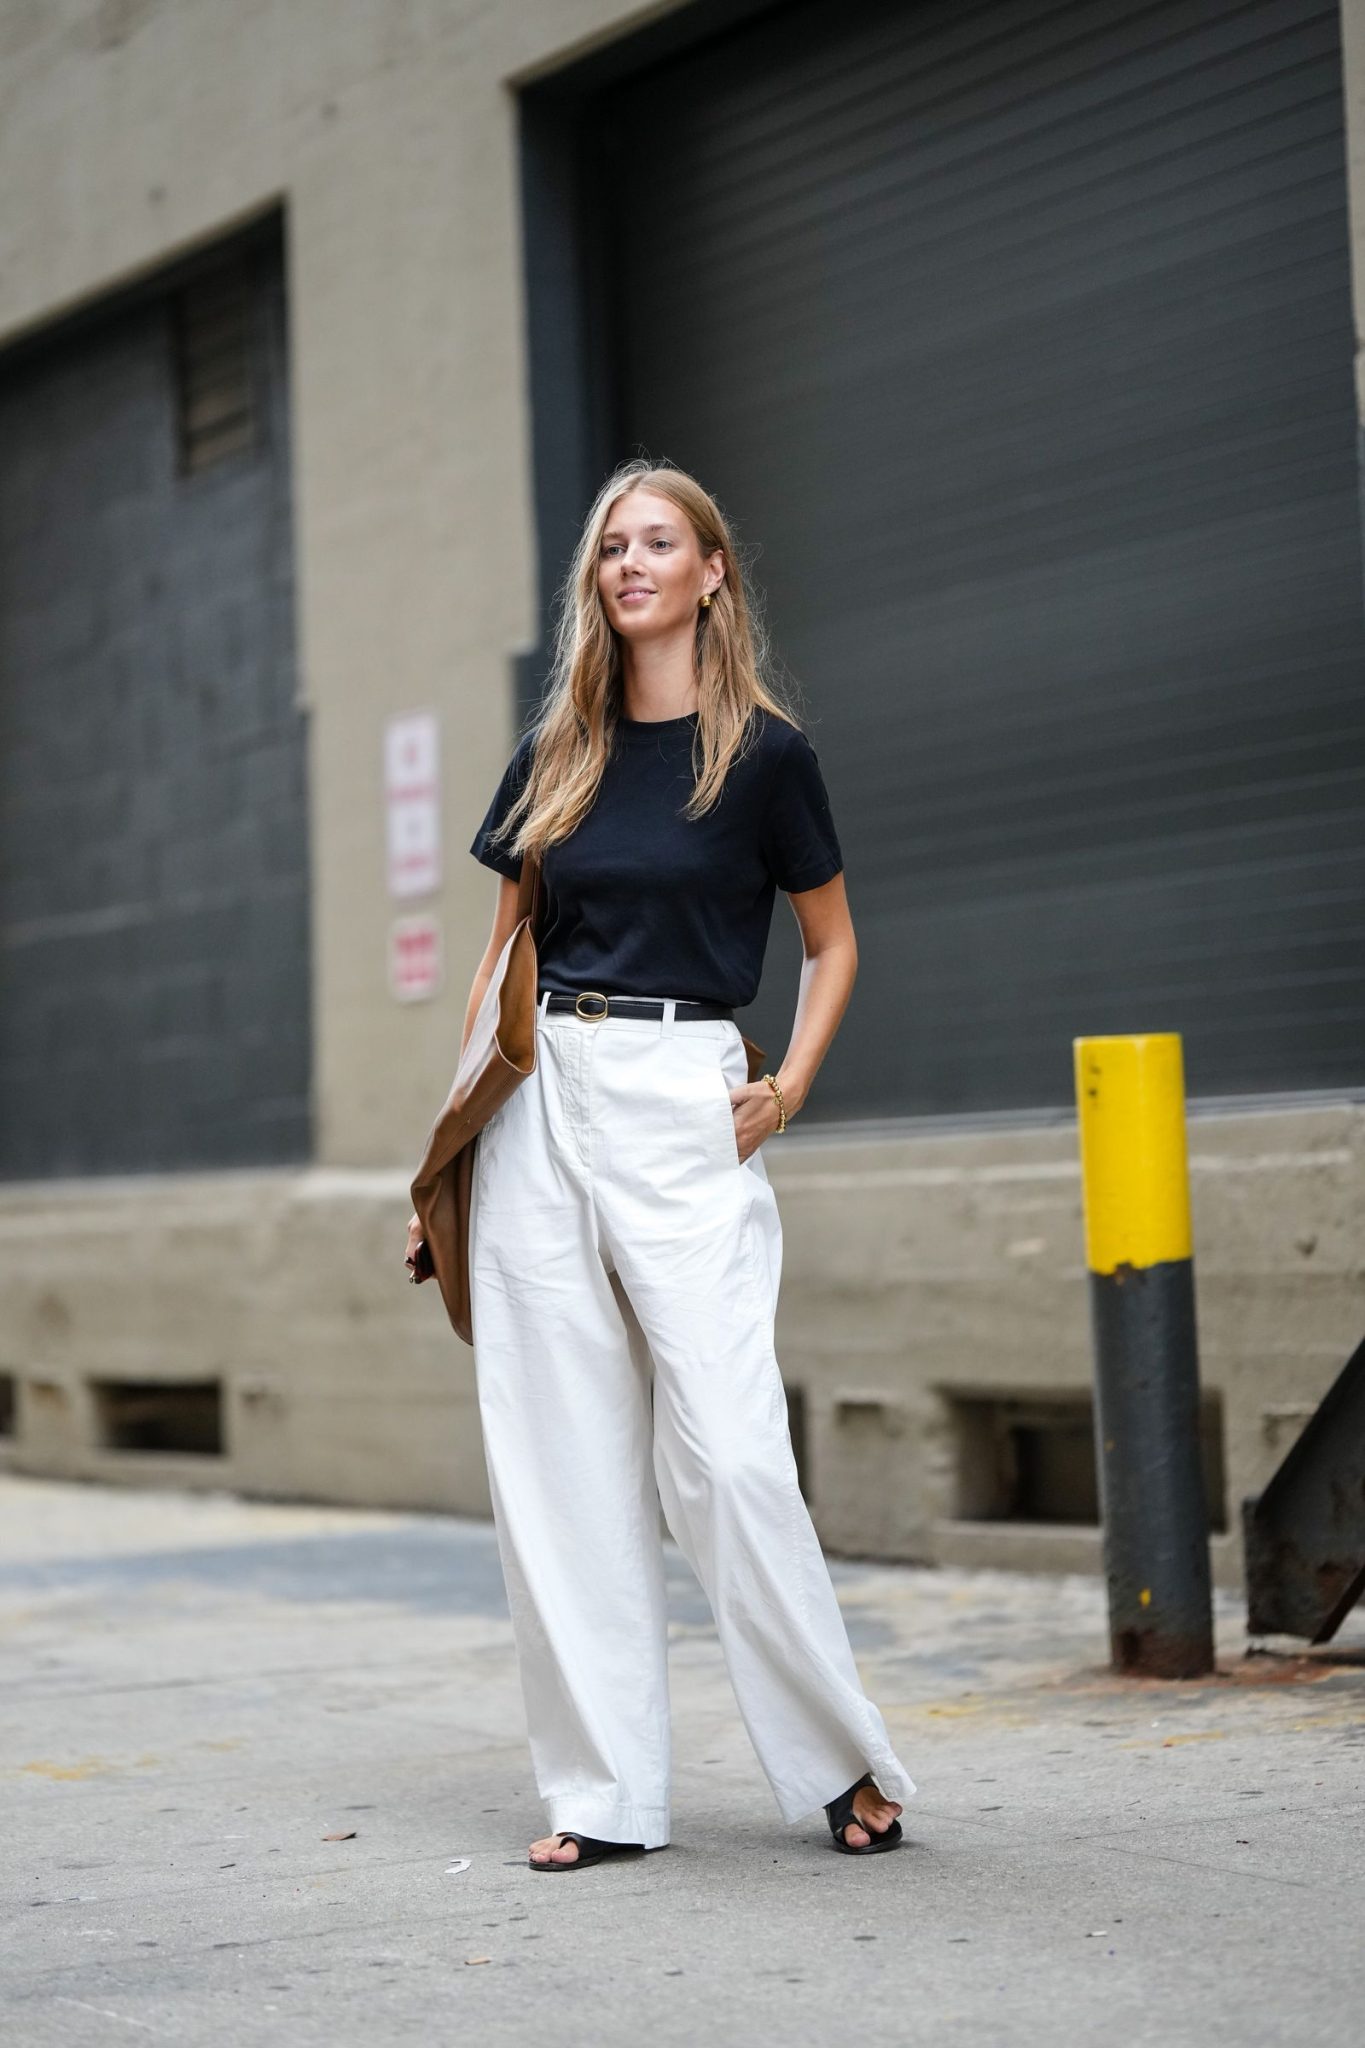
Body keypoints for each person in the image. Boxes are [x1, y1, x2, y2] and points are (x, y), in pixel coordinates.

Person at [405, 458, 914, 1871]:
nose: (628, 564)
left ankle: (839, 1761)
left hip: (684, 1094)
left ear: (710, 573)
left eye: (657, 543)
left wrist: (792, 1083)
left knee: (732, 1454)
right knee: (556, 1459)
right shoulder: (556, 749)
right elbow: (502, 957)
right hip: (536, 1100)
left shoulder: (763, 756)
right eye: (610, 547)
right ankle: (599, 1796)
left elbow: (831, 941)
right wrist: (442, 1157)